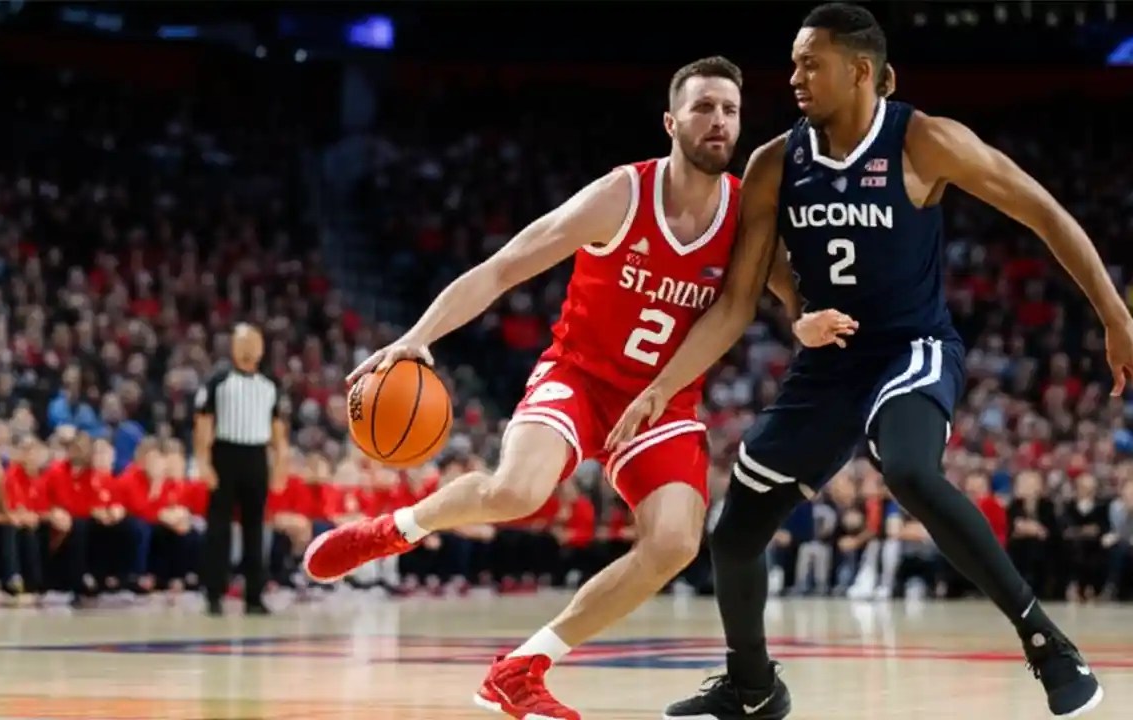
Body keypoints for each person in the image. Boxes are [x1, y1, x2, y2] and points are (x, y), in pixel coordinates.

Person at [608, 5, 1133, 719]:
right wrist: (665, 384)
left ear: (860, 71)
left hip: (911, 348)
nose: (794, 78)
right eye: (793, 63)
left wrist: (1116, 319)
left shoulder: (924, 140)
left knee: (909, 468)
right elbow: (734, 303)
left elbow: (1045, 212)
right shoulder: (775, 163)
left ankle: (1047, 642)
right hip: (829, 366)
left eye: (810, 63)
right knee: (734, 537)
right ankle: (753, 689)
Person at [303, 56, 800, 720]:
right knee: (517, 491)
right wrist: (418, 337)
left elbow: (788, 293)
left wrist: (821, 316)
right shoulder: (621, 196)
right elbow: (504, 266)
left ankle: (522, 667)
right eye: (704, 107)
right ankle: (397, 529)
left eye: (730, 110)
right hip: (580, 377)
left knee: (677, 543)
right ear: (670, 121)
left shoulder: (744, 214)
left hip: (662, 399)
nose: (719, 121)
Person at [193, 323, 288, 616]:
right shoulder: (218, 380)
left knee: (255, 528)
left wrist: (280, 464)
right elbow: (203, 423)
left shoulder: (270, 383)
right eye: (243, 343)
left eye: (254, 343)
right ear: (233, 346)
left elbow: (278, 429)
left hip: (256, 455)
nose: (248, 348)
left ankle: (254, 596)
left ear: (261, 348)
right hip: (225, 453)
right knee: (218, 527)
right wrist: (204, 462)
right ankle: (214, 593)